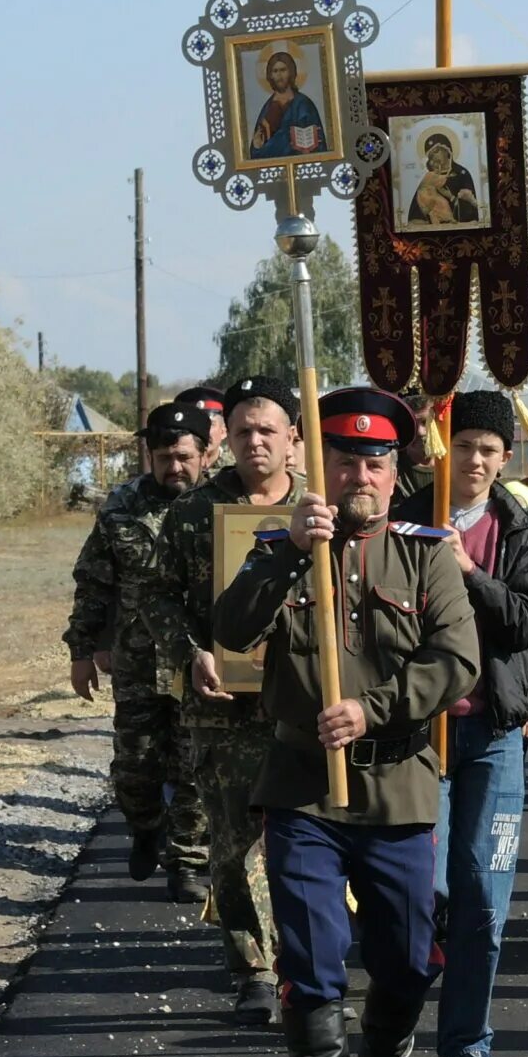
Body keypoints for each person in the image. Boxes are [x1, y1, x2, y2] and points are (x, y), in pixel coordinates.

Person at [213, 387, 481, 1057]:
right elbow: (230, 630)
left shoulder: (426, 553)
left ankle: (388, 1054)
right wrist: (288, 550)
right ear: (316, 467)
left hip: (396, 784)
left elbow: (456, 660)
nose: (361, 475)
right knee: (309, 954)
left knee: (405, 957)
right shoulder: (280, 544)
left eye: (376, 462)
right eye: (345, 460)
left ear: (395, 474)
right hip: (302, 789)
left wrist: (375, 706)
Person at [395, 391, 528, 1057]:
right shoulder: (404, 519)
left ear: (505, 455)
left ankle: (465, 1040)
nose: (478, 461)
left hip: (492, 733)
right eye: (466, 447)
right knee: (417, 892)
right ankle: (393, 1027)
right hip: (416, 733)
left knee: (484, 895)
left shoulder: (522, 527)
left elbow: (523, 622)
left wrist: (468, 572)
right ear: (443, 450)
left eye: (491, 449)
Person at [148, 375, 304, 1022]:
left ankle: (307, 962)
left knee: (307, 840)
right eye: (243, 431)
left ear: (293, 437)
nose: (255, 442)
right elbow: (156, 599)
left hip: (304, 705)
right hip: (223, 708)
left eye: (268, 430)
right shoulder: (192, 514)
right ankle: (253, 970)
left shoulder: (318, 512)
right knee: (235, 842)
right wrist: (192, 651)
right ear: (225, 439)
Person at [64, 403, 213, 883]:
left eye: (185, 456)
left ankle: (187, 862)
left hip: (200, 659)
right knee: (137, 764)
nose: (175, 467)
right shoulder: (122, 507)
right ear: (150, 455)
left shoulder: (222, 505)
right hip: (137, 660)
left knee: (194, 765)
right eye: (165, 457)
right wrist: (82, 651)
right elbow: (93, 582)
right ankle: (147, 827)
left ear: (206, 454)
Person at [248, 48, 327, 158]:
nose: (279, 76)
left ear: (291, 72)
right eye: (275, 71)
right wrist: (257, 147)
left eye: (283, 70)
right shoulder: (267, 108)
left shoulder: (304, 104)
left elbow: (318, 145)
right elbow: (256, 150)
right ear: (270, 75)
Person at [407, 133, 482, 226]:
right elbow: (416, 213)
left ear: (447, 150)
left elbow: (471, 209)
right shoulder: (429, 177)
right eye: (430, 156)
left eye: (436, 151)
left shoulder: (462, 173)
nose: (434, 157)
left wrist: (453, 198)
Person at [173, 381, 228, 463]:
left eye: (209, 424)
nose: (201, 431)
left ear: (224, 431)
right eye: (193, 424)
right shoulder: (175, 468)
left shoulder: (240, 470)